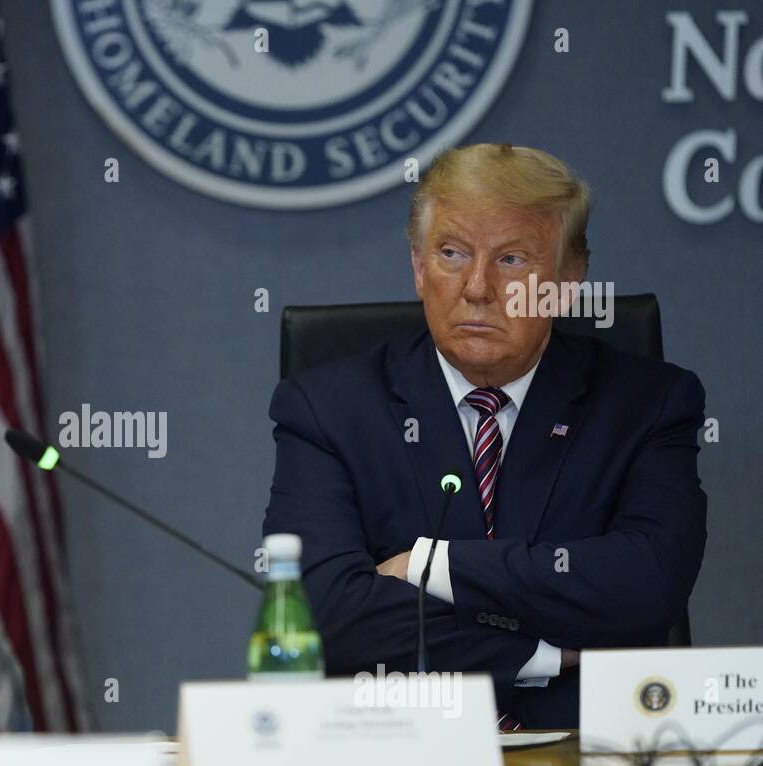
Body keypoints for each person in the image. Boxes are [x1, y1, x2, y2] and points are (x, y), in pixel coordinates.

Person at [263, 143, 707, 728]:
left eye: (512, 260)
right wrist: (540, 654)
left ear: (567, 282)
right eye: (451, 253)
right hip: (402, 757)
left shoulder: (647, 403)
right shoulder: (327, 409)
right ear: (419, 268)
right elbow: (324, 616)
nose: (476, 287)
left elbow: (648, 585)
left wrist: (435, 567)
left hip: (591, 763)